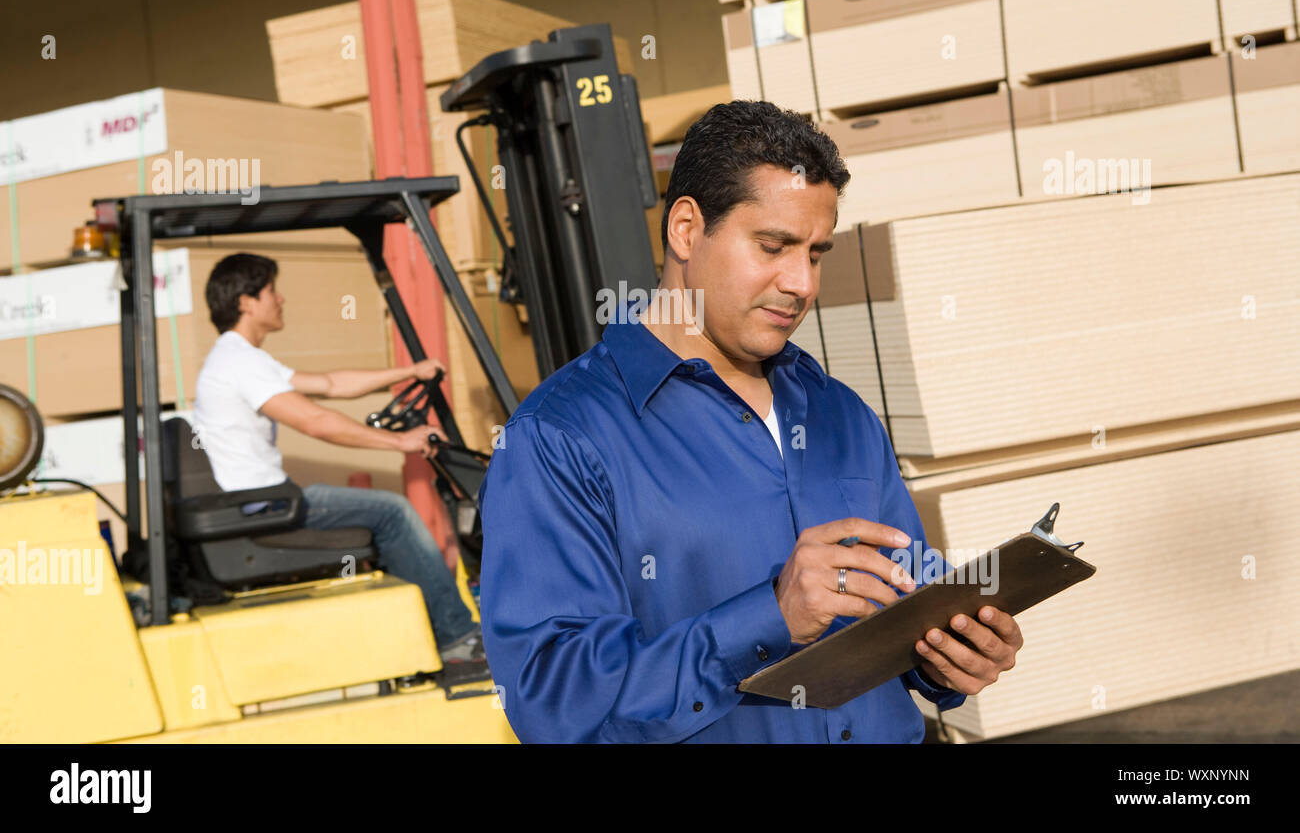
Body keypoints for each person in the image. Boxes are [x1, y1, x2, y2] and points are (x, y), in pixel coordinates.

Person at [478, 100, 1024, 742]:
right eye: (773, 246)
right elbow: (552, 700)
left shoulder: (841, 414)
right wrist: (768, 617)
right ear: (686, 229)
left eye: (816, 254)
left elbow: (903, 600)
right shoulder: (558, 439)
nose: (802, 283)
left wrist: (949, 653)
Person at [192, 252, 485, 666]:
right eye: (272, 290)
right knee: (393, 512)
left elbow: (331, 385)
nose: (281, 300)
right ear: (246, 302)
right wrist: (399, 442)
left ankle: (417, 631)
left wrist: (408, 372)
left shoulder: (242, 358)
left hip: (263, 500)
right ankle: (456, 636)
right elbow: (315, 422)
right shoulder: (238, 361)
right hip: (265, 505)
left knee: (384, 514)